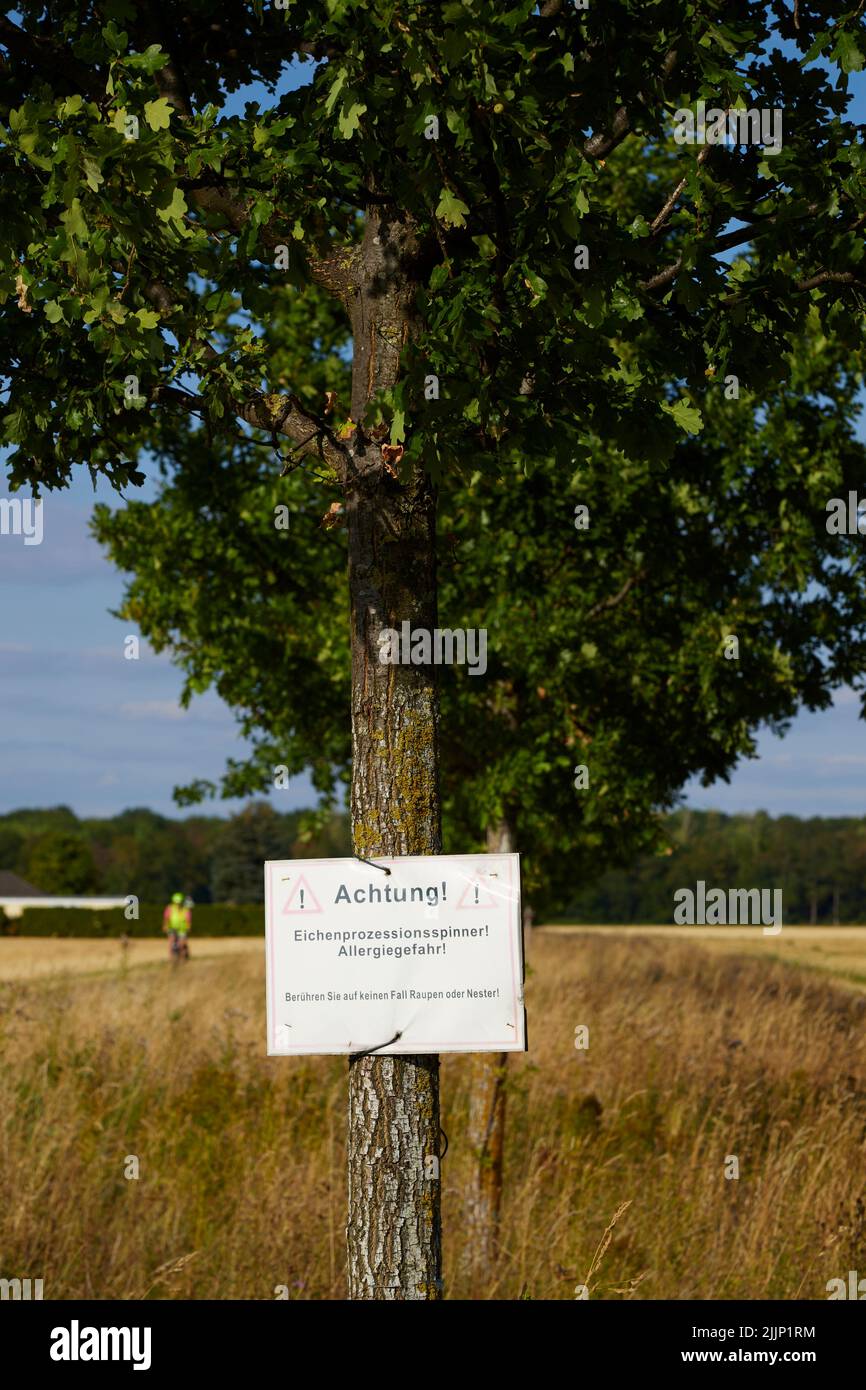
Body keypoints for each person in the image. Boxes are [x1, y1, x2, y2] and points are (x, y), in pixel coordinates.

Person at [163, 892, 192, 962]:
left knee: (182, 945)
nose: (178, 904)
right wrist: (165, 926)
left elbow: (188, 919)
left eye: (179, 903)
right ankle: (171, 959)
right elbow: (166, 918)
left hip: (182, 929)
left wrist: (188, 927)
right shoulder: (169, 908)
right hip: (172, 928)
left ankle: (183, 960)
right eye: (176, 903)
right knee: (171, 942)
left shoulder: (185, 909)